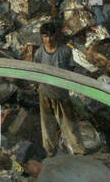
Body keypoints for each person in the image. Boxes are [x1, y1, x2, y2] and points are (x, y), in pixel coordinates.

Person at [25, 22, 85, 156]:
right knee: (47, 124)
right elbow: (37, 72)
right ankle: (50, 152)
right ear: (42, 37)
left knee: (69, 124)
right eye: (45, 36)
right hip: (45, 93)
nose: (48, 39)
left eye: (51, 36)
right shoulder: (40, 53)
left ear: (56, 35)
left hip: (61, 94)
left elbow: (73, 70)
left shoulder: (64, 51)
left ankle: (78, 151)